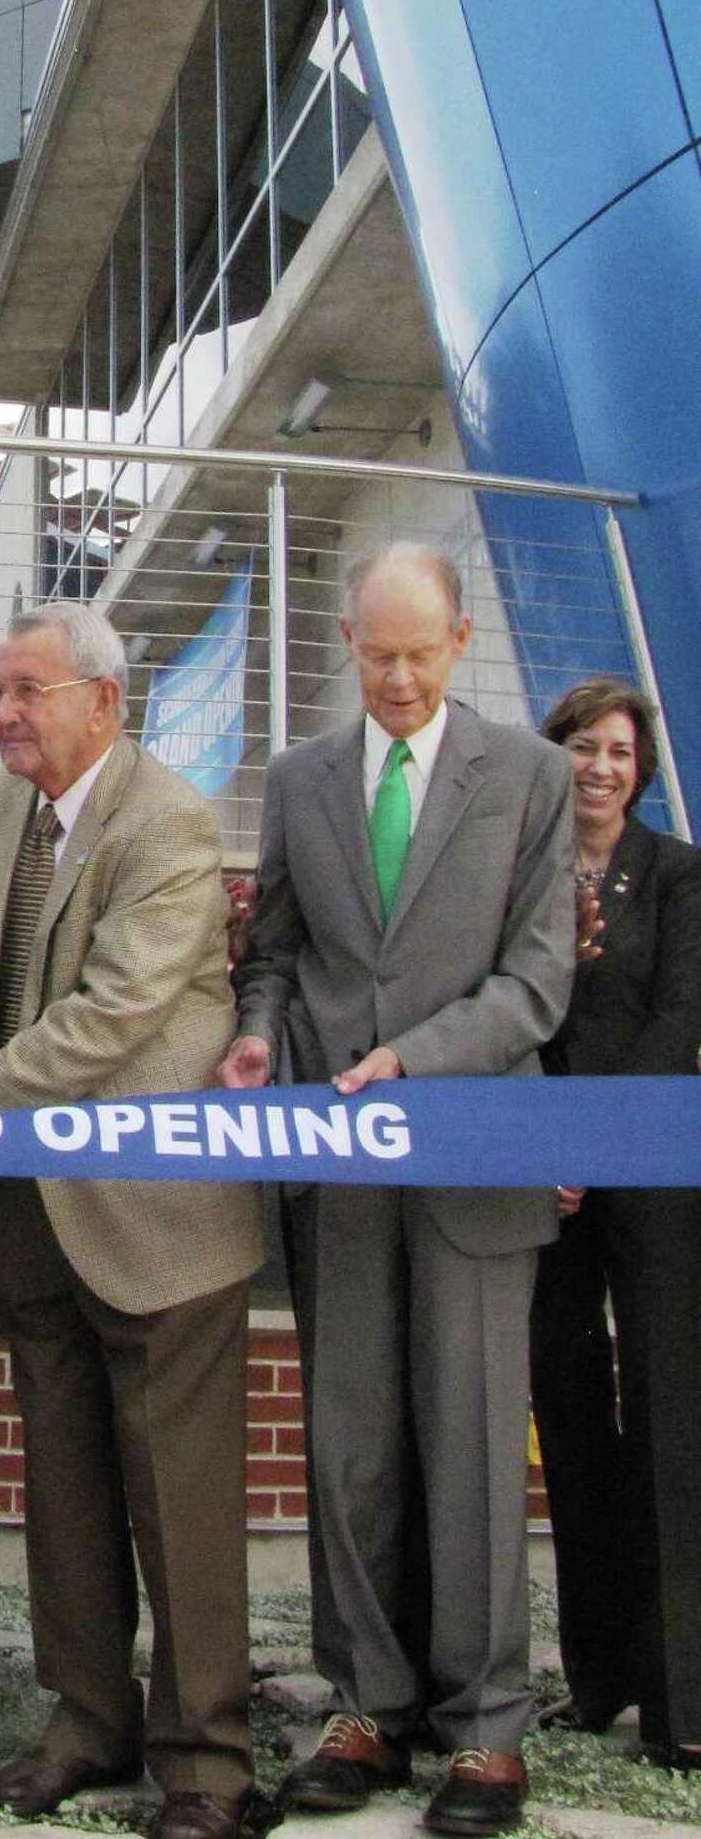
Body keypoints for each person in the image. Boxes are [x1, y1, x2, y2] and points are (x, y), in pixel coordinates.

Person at [0, 601, 263, 1839]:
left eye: (25, 692)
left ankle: (207, 1770)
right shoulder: (1, 808)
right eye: (0, 695)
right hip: (30, 1217)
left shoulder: (172, 821)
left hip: (157, 1223)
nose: (3, 715)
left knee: (179, 1507)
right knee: (67, 1496)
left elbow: (116, 1013)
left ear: (102, 701)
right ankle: (87, 1722)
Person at [225, 543, 575, 1836]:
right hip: (339, 1175)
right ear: (347, 642)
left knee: (478, 1447)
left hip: (474, 1160)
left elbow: (538, 981)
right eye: (379, 655)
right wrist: (260, 1035)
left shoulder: (530, 779)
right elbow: (273, 951)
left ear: (462, 639)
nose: (401, 678)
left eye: (423, 654)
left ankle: (487, 1730)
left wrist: (409, 1060)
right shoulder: (300, 778)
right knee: (351, 1442)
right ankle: (364, 1708)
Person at [526, 677, 701, 1769]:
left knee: (672, 1420)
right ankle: (599, 1675)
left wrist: (595, 1138)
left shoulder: (679, 874)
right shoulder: (523, 871)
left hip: (649, 1174)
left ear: (640, 769)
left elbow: (682, 1016)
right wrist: (546, 1140)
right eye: (585, 747)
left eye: (620, 752)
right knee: (573, 1417)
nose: (600, 767)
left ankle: (683, 1697)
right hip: (543, 1182)